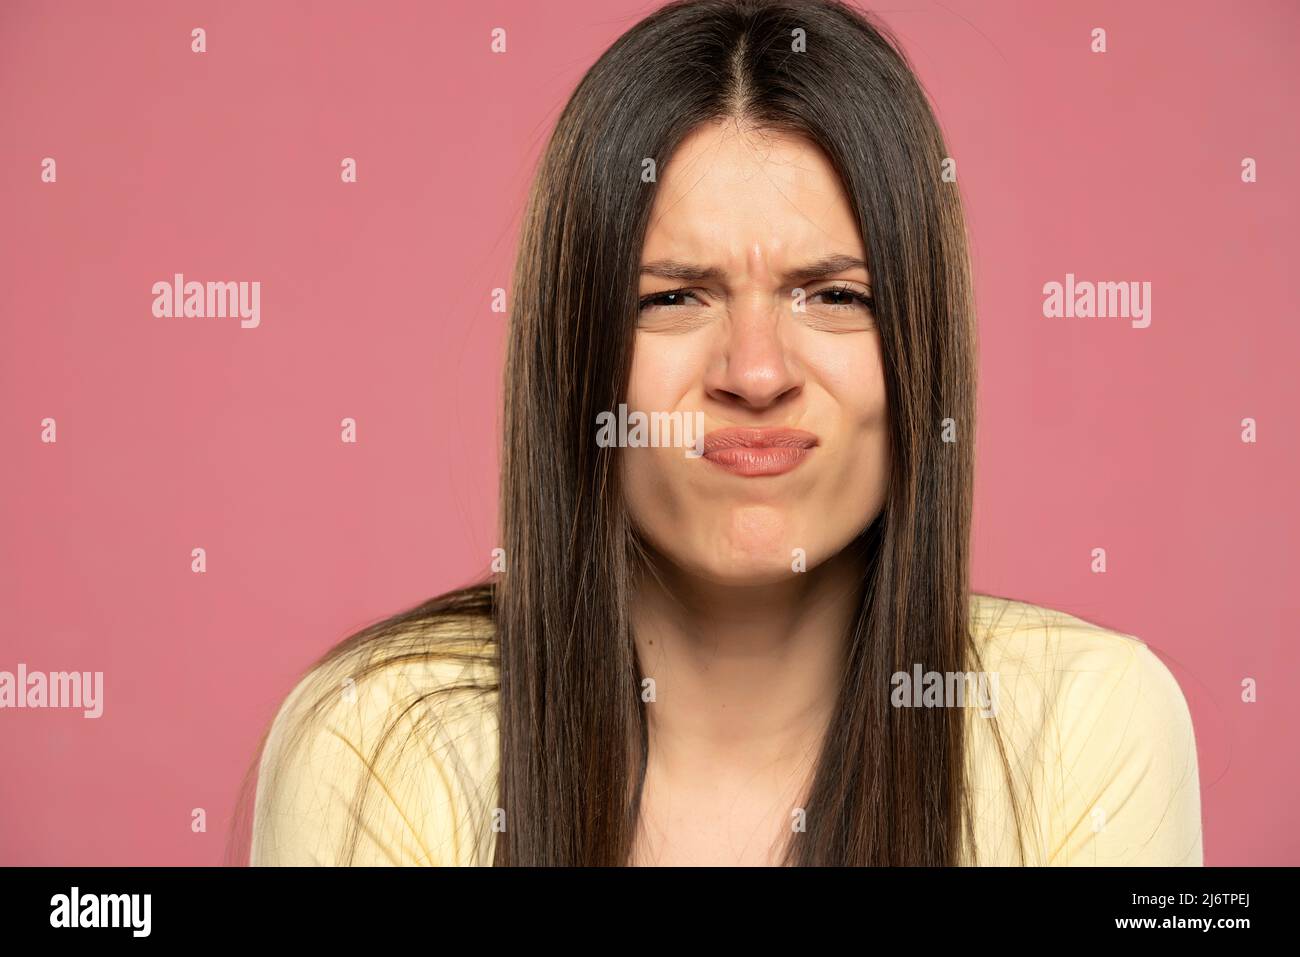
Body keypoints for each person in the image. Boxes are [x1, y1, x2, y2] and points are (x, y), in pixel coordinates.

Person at [243, 0, 1202, 867]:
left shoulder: (1091, 725)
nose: (754, 372)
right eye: (673, 297)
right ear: (576, 356)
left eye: (834, 295)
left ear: (923, 348)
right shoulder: (373, 740)